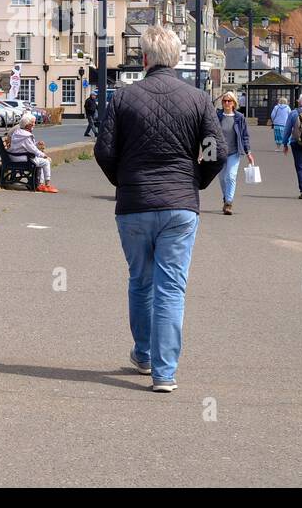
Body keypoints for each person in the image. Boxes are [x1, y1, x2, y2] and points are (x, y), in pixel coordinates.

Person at [94, 25, 225, 392]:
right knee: (171, 288)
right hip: (180, 205)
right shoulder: (198, 99)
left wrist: (124, 181)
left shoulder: (123, 98)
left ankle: (144, 354)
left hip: (134, 204)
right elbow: (217, 150)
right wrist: (196, 179)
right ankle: (164, 374)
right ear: (177, 58)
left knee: (141, 281)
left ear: (146, 58)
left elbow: (103, 151)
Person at [216, 91, 254, 215]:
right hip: (219, 152)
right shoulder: (217, 116)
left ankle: (228, 203)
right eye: (224, 101)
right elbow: (210, 134)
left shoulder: (239, 117)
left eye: (229, 101)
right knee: (222, 178)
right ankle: (226, 197)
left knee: (230, 176)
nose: (226, 103)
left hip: (234, 152)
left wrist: (248, 152)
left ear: (234, 103)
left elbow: (244, 136)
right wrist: (204, 151)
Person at [10, 113, 57, 192]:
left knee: (41, 162)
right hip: (23, 159)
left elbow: (26, 146)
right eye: (33, 123)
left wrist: (36, 143)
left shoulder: (18, 132)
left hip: (15, 157)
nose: (34, 125)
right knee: (46, 162)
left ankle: (40, 184)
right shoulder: (26, 136)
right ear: (27, 125)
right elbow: (33, 150)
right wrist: (44, 155)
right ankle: (47, 184)